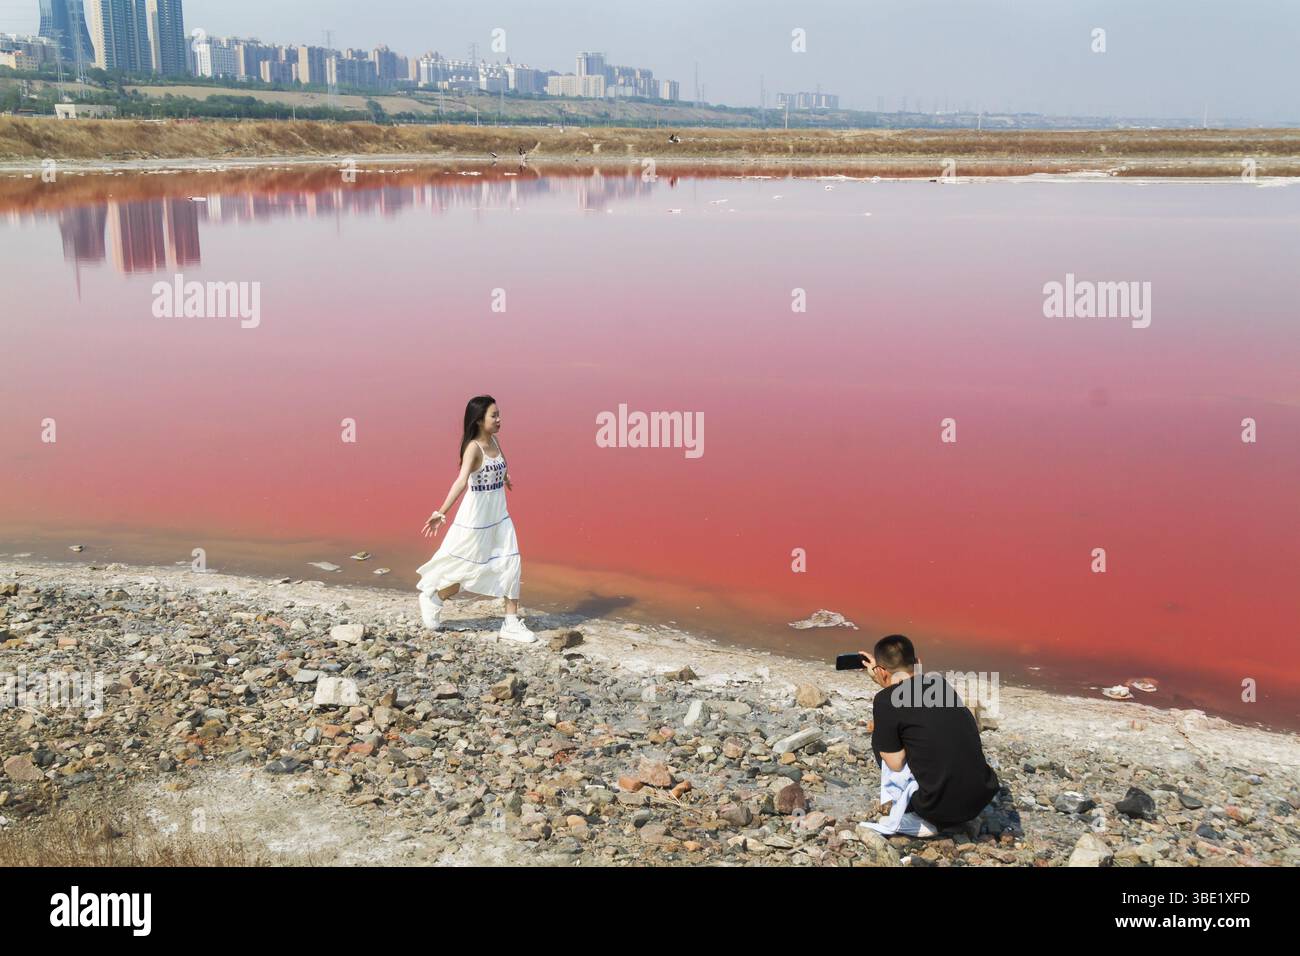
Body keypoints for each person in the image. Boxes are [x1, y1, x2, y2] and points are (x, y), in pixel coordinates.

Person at [416, 395, 534, 643]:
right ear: (479, 420)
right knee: (467, 570)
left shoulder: (495, 441)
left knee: (511, 562)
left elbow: (500, 465)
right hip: (475, 521)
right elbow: (461, 481)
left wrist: (505, 477)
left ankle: (510, 623)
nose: (499, 419)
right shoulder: (473, 447)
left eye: (499, 414)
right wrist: (441, 512)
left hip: (499, 516)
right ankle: (433, 597)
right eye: (494, 415)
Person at [859, 634, 999, 836]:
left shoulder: (885, 701)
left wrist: (884, 693)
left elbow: (895, 764)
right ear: (918, 663)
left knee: (882, 741)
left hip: (936, 808)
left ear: (880, 671)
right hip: (981, 797)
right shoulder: (940, 685)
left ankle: (922, 819)